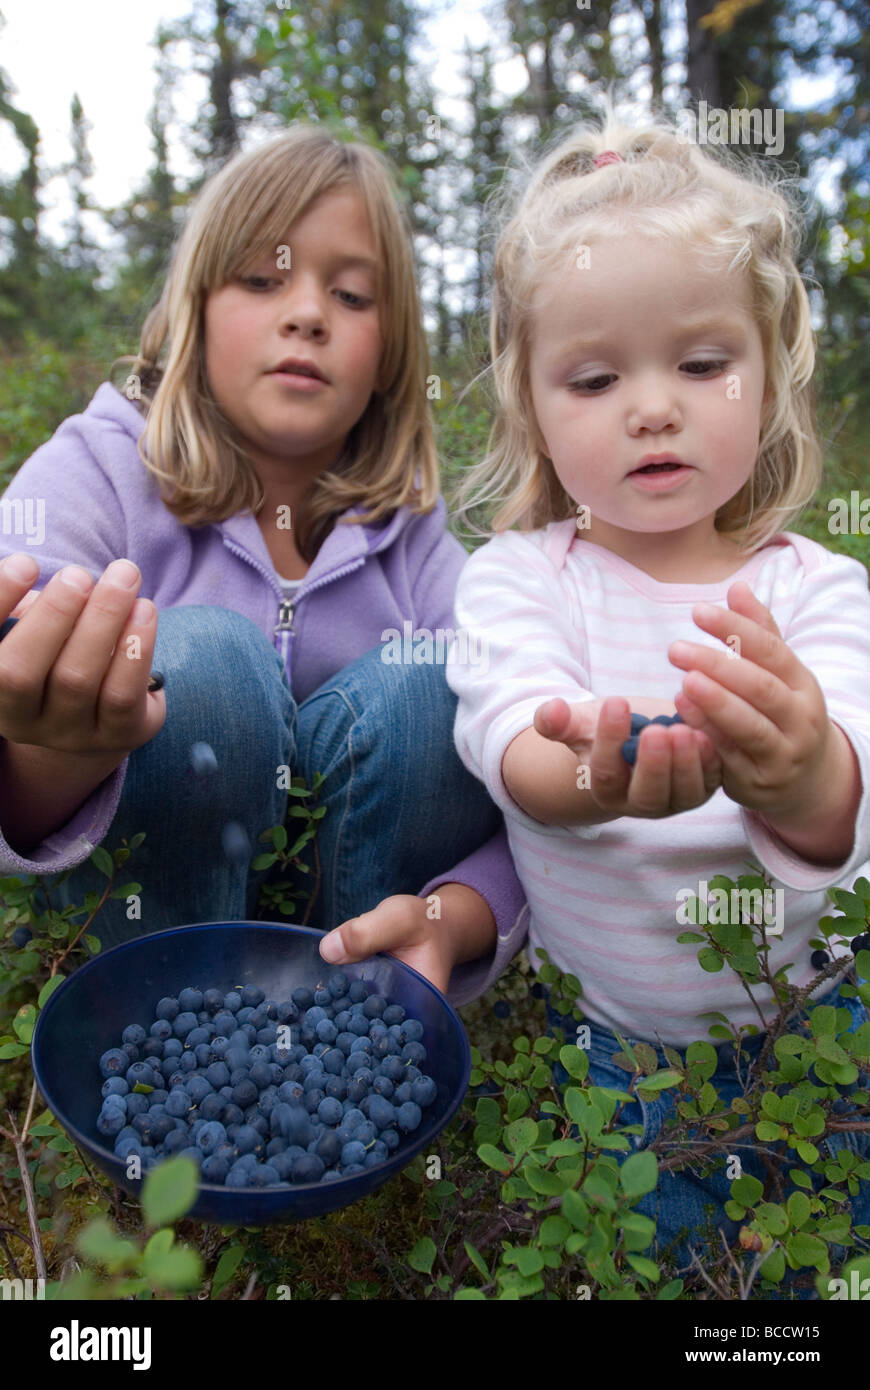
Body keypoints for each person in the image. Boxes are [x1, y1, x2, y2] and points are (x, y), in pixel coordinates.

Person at [439, 106, 870, 1275]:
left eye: (700, 362)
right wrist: (591, 773)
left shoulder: (819, 589)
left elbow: (849, 798)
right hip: (617, 1048)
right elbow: (512, 739)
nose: (653, 405)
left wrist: (805, 768)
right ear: (531, 405)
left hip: (826, 1022)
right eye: (594, 376)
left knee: (832, 1250)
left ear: (769, 373)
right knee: (674, 1266)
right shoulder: (523, 577)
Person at [0, 124, 529, 1010]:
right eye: (261, 279)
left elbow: (530, 774)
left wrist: (461, 911)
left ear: (391, 349)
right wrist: (54, 744)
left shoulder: (420, 546)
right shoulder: (97, 471)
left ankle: (354, 1032)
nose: (309, 312)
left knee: (437, 687)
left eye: (353, 294)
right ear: (193, 310)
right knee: (200, 665)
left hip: (356, 930)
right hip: (138, 926)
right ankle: (160, 1038)